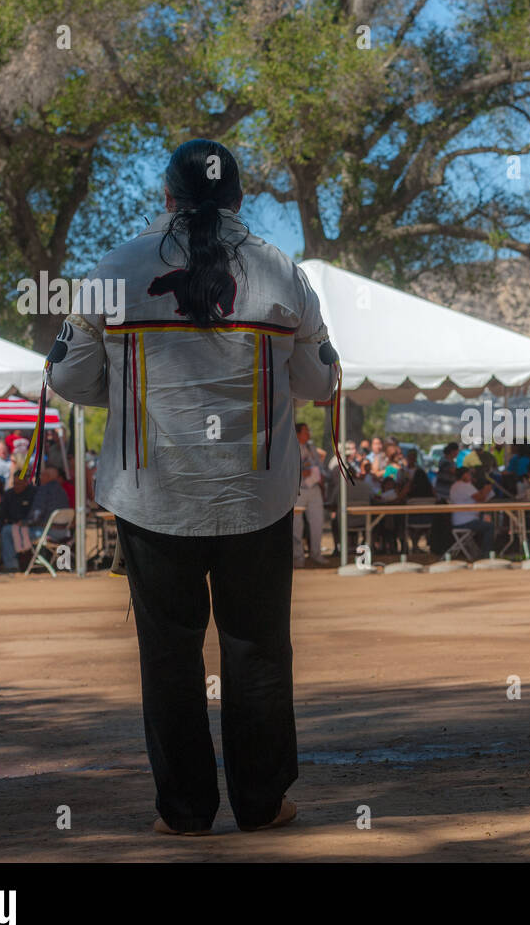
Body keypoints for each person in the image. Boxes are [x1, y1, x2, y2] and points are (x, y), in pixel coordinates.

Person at [46, 138, 334, 836]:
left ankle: (184, 810)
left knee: (169, 656)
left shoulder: (113, 271)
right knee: (258, 649)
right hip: (256, 497)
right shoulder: (282, 272)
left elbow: (68, 380)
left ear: (168, 197)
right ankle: (262, 802)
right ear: (238, 198)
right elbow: (320, 381)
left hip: (153, 496)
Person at [294, 422, 327, 566]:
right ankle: (298, 557)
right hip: (298, 490)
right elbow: (286, 470)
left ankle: (316, 554)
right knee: (296, 525)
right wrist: (301, 473)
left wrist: (322, 476)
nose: (309, 434)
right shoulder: (290, 448)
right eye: (306, 431)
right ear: (298, 434)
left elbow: (319, 466)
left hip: (314, 489)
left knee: (317, 522)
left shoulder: (312, 447)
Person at [448, 466, 494, 556]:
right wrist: (486, 489)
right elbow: (481, 498)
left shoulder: (455, 485)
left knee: (487, 518)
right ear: (463, 475)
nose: (470, 476)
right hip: (466, 521)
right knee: (490, 526)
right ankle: (486, 553)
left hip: (460, 519)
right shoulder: (464, 486)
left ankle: (480, 551)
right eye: (468, 474)